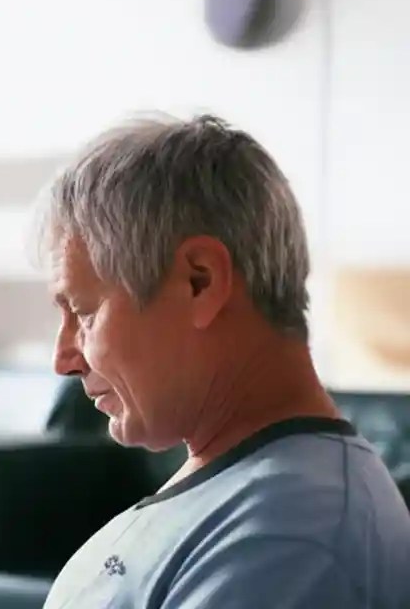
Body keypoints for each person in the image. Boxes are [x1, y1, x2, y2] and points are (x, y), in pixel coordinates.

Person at [38, 114, 410, 608]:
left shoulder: (288, 540)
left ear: (201, 281)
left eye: (84, 312)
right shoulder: (252, 492)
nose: (64, 359)